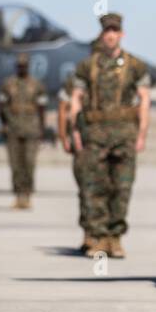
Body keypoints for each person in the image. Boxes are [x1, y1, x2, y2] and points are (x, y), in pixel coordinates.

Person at [70, 13, 151, 258]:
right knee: (95, 188)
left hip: (124, 134)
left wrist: (142, 134)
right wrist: (75, 132)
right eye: (107, 31)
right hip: (94, 135)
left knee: (122, 188)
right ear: (101, 34)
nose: (111, 35)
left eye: (115, 31)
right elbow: (75, 100)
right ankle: (98, 237)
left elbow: (144, 100)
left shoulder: (135, 65)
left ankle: (115, 238)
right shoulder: (87, 66)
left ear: (121, 34)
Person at [0, 52, 48, 209]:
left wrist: (42, 128)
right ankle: (18, 194)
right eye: (19, 66)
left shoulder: (37, 85)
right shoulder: (8, 84)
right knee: (15, 164)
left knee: (29, 163)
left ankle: (27, 194)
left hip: (31, 129)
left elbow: (42, 107)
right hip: (13, 129)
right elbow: (1, 105)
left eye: (24, 65)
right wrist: (5, 124)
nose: (22, 68)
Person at [57, 57, 98, 252]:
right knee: (86, 190)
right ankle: (90, 234)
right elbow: (63, 108)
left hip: (108, 142)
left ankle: (107, 235)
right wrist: (64, 136)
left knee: (108, 189)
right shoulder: (75, 80)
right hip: (83, 144)